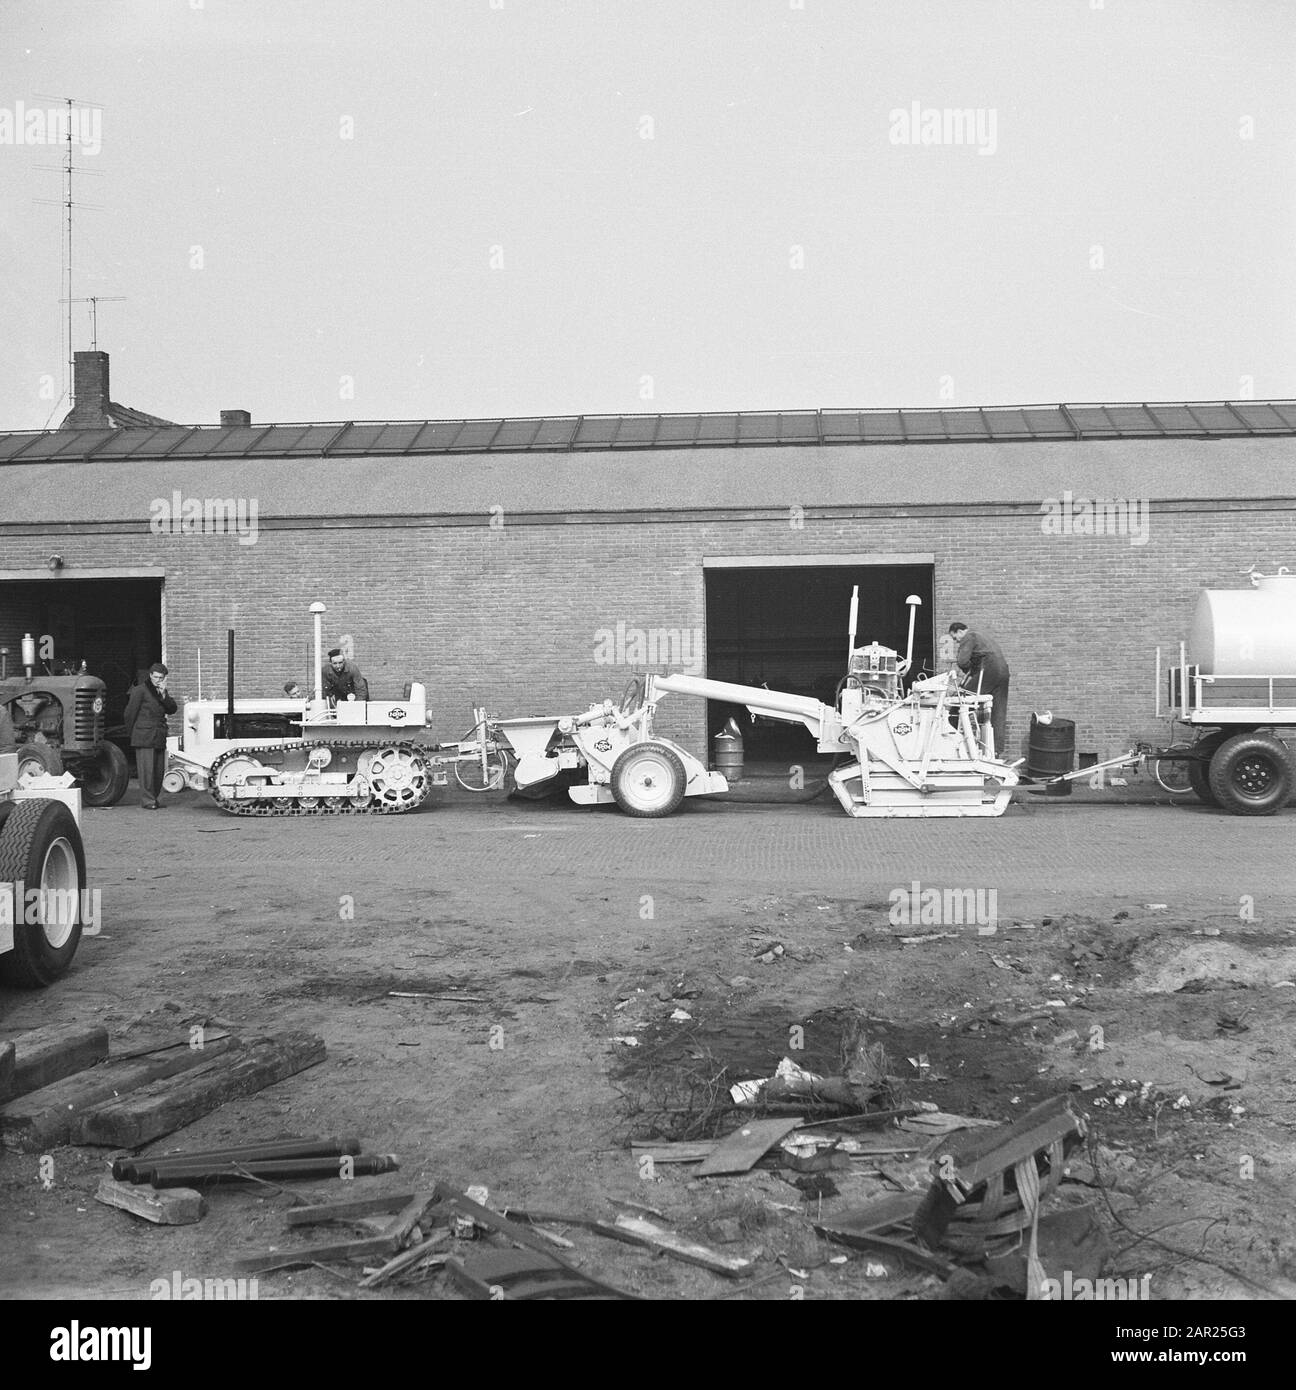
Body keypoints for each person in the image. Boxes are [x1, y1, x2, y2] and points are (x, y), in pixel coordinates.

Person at [948, 622, 1010, 756]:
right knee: (998, 710)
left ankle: (954, 743)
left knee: (959, 704)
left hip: (988, 670)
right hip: (1003, 671)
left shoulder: (969, 637)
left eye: (955, 638)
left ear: (959, 631)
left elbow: (962, 661)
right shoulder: (982, 635)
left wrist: (969, 670)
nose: (957, 641)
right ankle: (996, 751)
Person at [123, 661, 177, 809]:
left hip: (159, 735)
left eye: (161, 678)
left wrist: (164, 694)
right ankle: (148, 801)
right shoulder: (140, 690)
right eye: (155, 677)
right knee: (147, 771)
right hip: (144, 736)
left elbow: (173, 709)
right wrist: (133, 734)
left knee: (158, 771)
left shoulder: (162, 692)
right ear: (150, 675)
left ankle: (156, 799)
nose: (158, 680)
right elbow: (129, 714)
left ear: (165, 678)